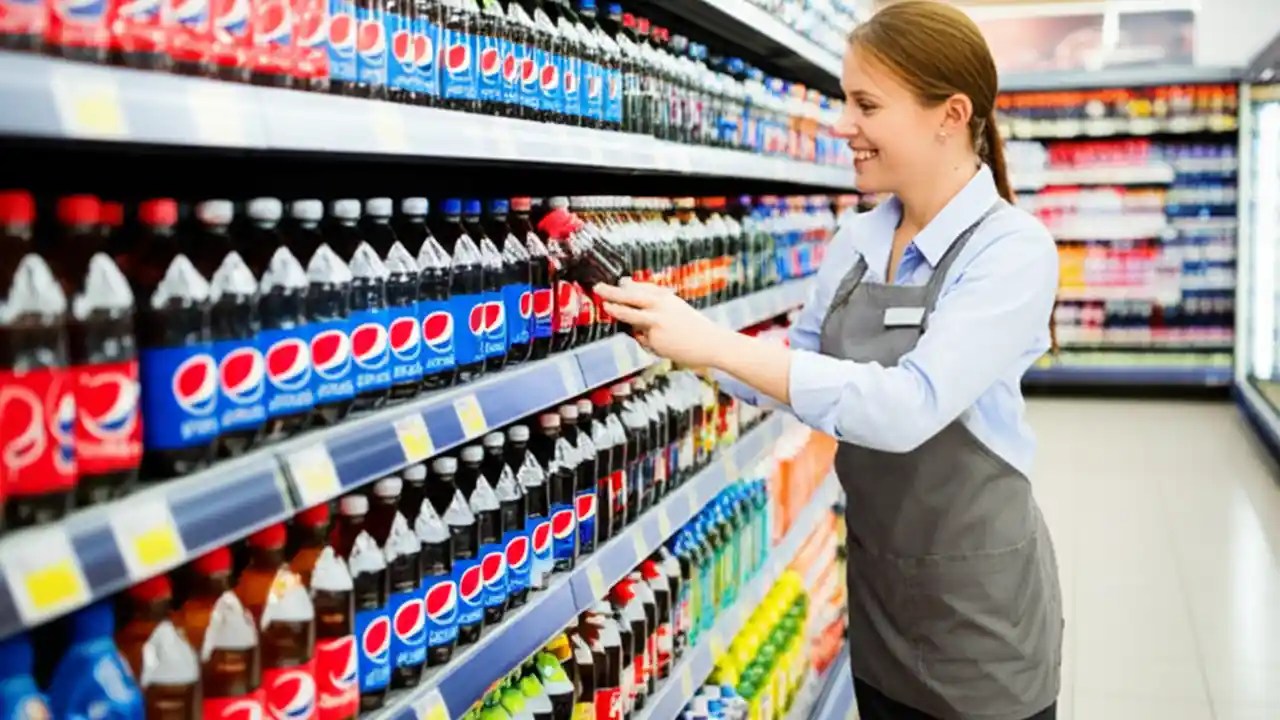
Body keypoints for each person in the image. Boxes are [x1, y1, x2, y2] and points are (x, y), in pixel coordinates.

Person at [595, 2, 1063, 719]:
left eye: (865, 104)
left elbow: (907, 407)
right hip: (877, 593)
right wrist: (673, 337)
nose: (842, 124)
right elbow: (797, 373)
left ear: (950, 113)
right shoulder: (857, 238)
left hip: (979, 615)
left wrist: (716, 343)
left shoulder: (1012, 251)